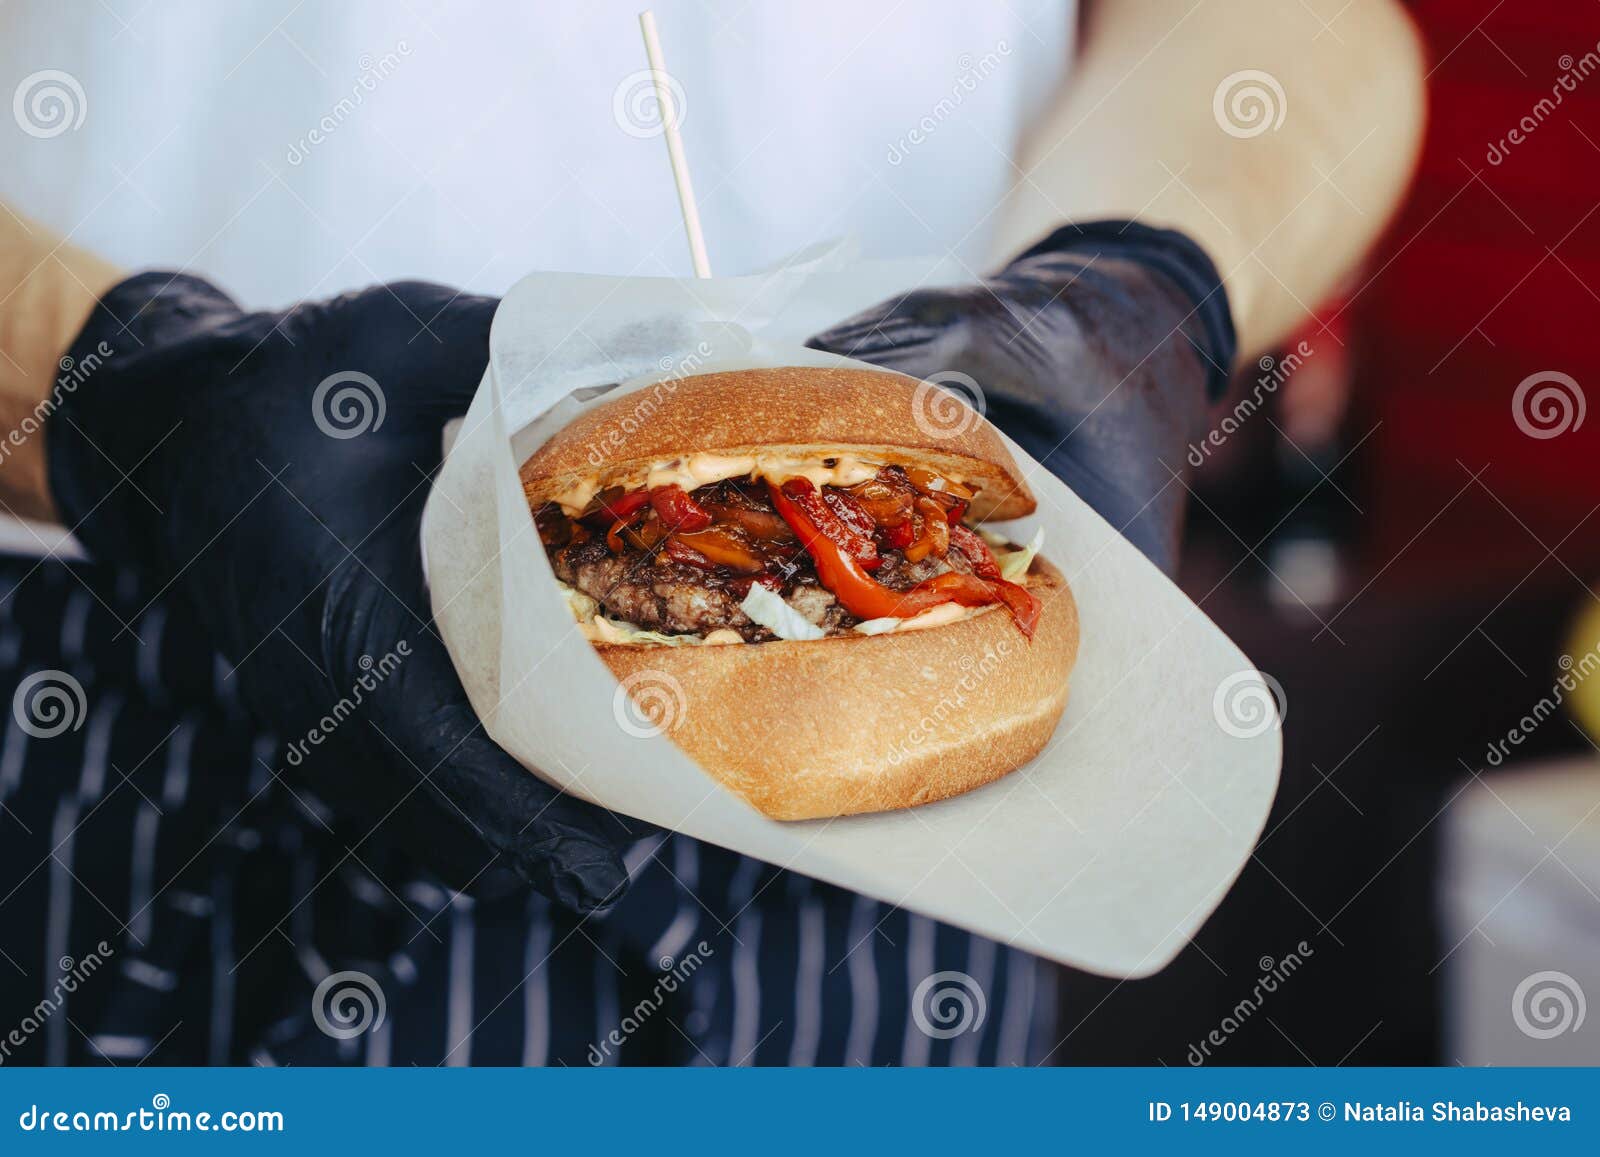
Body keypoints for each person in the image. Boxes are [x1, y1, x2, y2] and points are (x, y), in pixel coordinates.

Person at [0, 1, 1423, 1065]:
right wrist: (121, 391)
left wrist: (1137, 284)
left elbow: (1302, 31)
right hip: (141, 702)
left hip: (897, 830)